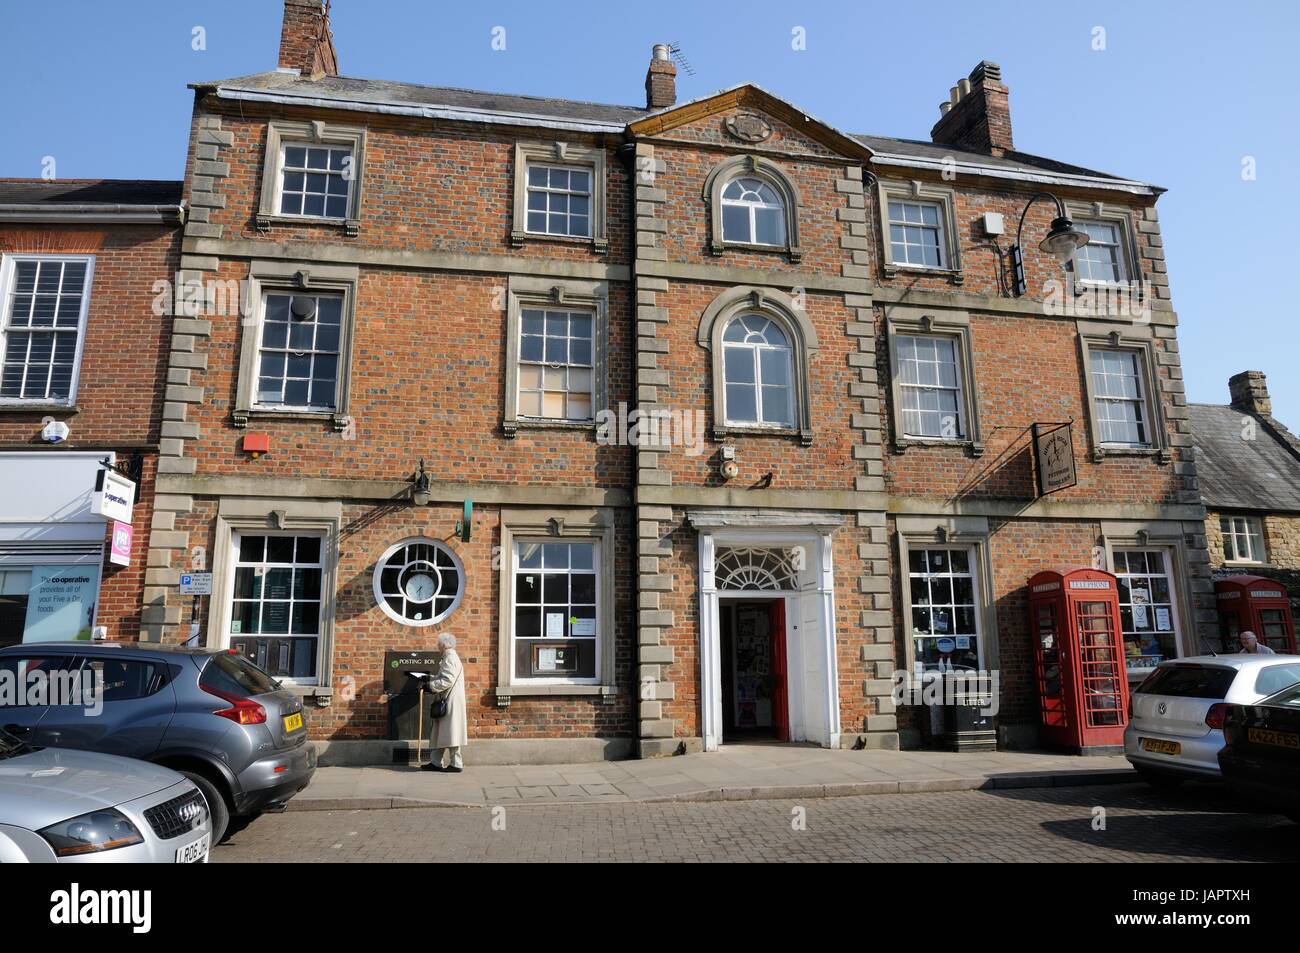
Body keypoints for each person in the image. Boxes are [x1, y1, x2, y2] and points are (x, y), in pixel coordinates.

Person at [422, 632, 468, 772]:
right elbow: (445, 676)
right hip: (449, 699)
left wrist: (430, 686)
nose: (438, 647)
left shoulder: (449, 657)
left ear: (443, 644)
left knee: (451, 732)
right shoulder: (450, 656)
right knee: (443, 731)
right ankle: (436, 762)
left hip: (449, 701)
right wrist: (430, 678)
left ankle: (456, 764)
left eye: (438, 644)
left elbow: (448, 680)